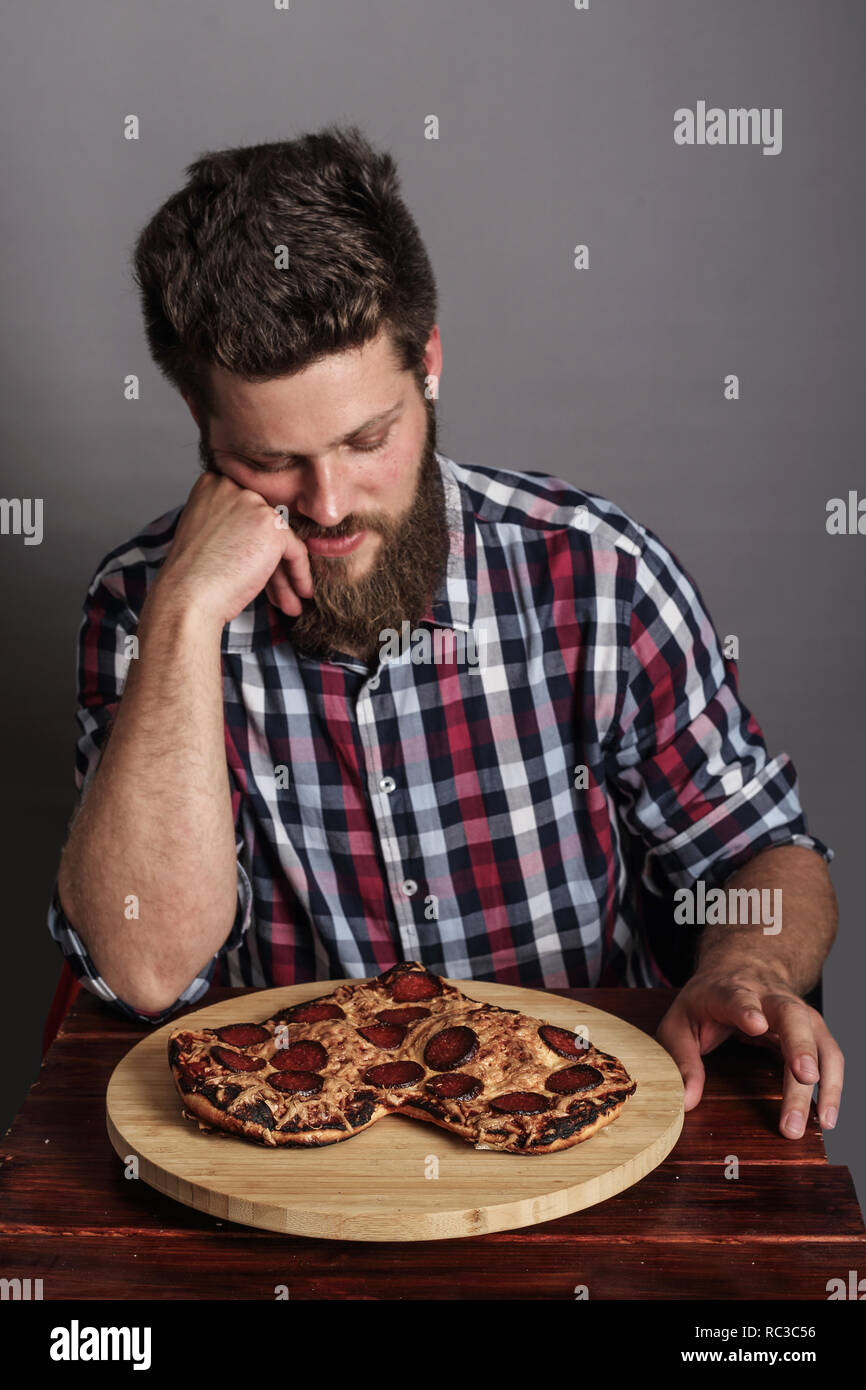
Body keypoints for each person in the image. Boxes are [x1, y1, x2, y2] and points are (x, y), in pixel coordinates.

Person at [48, 124, 843, 1140]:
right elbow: (147, 971)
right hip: (297, 1173)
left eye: (367, 439)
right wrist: (184, 620)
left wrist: (744, 963)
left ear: (426, 364)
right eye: (269, 461)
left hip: (586, 1138)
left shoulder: (592, 573)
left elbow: (758, 852)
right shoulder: (141, 609)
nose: (329, 504)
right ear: (204, 435)